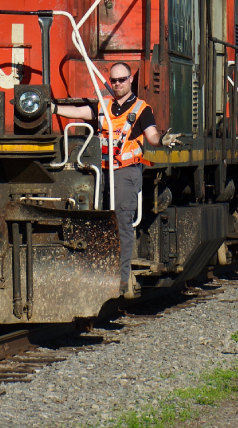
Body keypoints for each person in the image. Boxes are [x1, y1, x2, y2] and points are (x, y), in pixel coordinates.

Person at [55, 61, 163, 299]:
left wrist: (163, 140)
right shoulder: (104, 106)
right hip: (100, 173)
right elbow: (79, 113)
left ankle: (121, 280)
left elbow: (152, 135)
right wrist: (53, 107)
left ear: (130, 79)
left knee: (122, 224)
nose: (117, 84)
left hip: (125, 174)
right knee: (98, 224)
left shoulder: (142, 109)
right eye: (113, 80)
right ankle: (96, 274)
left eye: (122, 79)